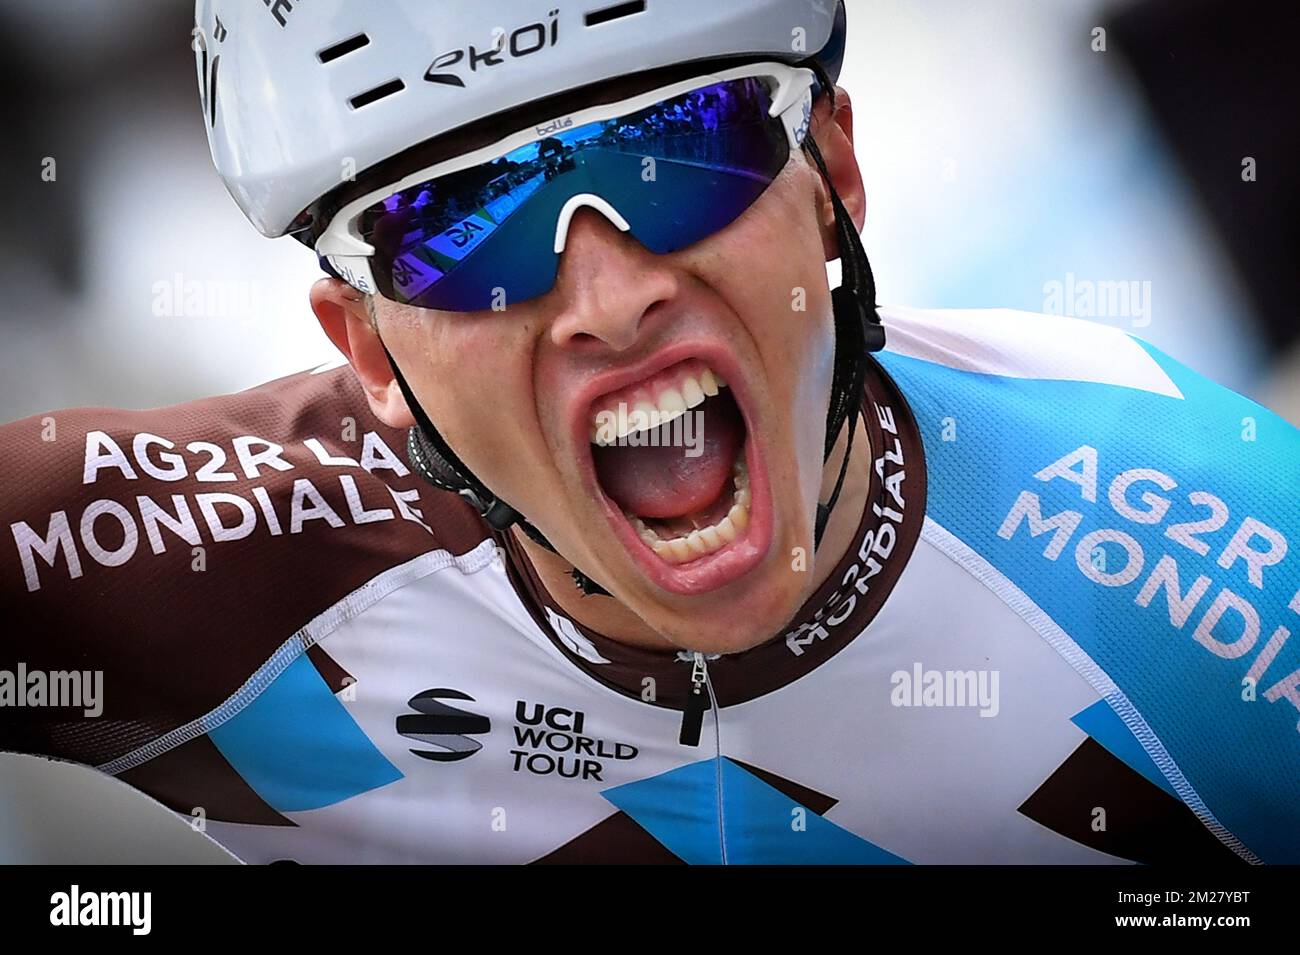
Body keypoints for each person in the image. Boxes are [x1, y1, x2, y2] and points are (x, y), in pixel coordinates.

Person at [1, 0, 1297, 865]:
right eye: (469, 231)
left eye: (685, 155)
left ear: (835, 172)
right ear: (365, 353)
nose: (612, 304)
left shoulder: (1222, 558)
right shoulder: (231, 571)